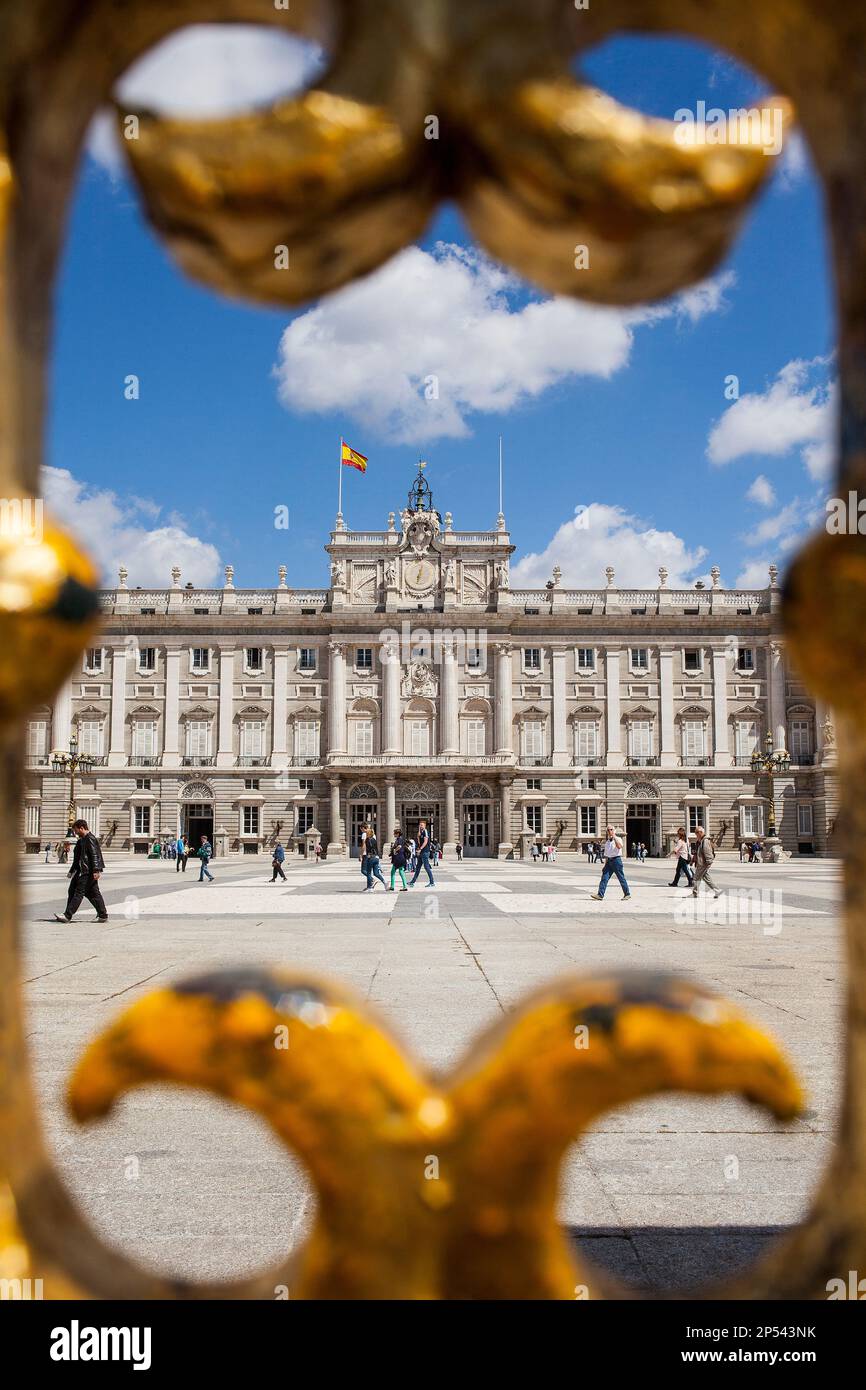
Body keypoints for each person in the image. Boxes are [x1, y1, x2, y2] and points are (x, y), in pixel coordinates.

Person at [53, 819, 108, 923]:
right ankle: (103, 915)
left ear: (82, 828)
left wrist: (96, 870)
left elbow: (94, 855)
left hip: (88, 871)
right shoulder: (82, 840)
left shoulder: (90, 838)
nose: (75, 833)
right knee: (91, 893)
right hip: (82, 870)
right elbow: (78, 858)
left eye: (76, 830)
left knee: (78, 892)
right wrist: (72, 870)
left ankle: (67, 915)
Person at [591, 826, 631, 901]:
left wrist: (614, 837)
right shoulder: (607, 842)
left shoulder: (618, 839)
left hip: (616, 861)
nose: (609, 831)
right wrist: (605, 865)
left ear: (614, 830)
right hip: (609, 862)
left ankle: (627, 894)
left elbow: (619, 846)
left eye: (611, 829)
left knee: (621, 878)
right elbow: (606, 855)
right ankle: (600, 895)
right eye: (608, 830)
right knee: (604, 878)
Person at [692, 825, 721, 898]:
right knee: (706, 878)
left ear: (700, 832)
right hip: (702, 863)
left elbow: (707, 852)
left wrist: (708, 862)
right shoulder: (701, 841)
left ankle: (695, 893)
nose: (695, 835)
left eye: (696, 833)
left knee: (696, 878)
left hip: (703, 863)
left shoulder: (705, 841)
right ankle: (717, 890)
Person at [409, 818, 435, 887]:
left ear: (425, 826)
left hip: (425, 852)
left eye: (422, 825)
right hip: (421, 852)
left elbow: (426, 841)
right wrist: (419, 834)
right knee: (418, 867)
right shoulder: (421, 832)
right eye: (420, 825)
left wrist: (420, 849)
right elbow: (419, 841)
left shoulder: (425, 831)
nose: (420, 826)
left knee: (426, 867)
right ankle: (412, 881)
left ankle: (432, 882)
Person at [362, 826, 387, 891]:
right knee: (376, 873)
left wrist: (368, 855)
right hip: (376, 857)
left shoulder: (368, 840)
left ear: (368, 834)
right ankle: (385, 882)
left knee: (369, 873)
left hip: (371, 857)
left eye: (367, 833)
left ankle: (370, 887)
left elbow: (369, 848)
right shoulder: (374, 839)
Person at [388, 827, 409, 891]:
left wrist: (394, 850)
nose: (394, 834)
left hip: (398, 858)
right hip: (401, 857)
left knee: (393, 872)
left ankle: (392, 886)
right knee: (401, 871)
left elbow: (399, 846)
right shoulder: (401, 839)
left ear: (398, 834)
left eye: (395, 833)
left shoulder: (399, 839)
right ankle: (404, 886)